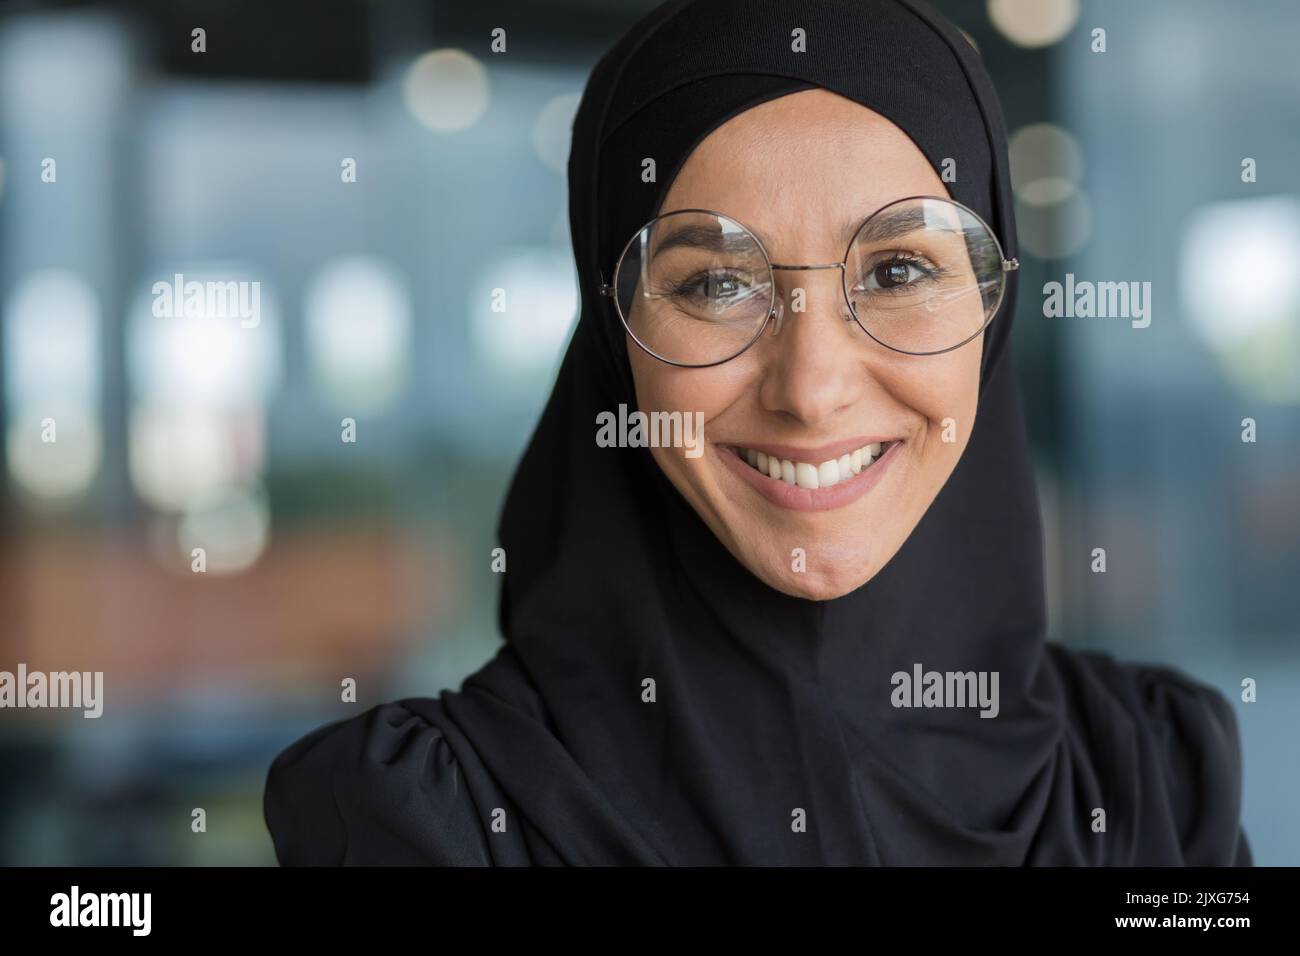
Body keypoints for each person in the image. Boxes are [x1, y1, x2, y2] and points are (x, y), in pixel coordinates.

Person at [263, 0, 1251, 865]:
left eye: (900, 270)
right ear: (615, 336)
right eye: (715, 283)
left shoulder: (1152, 777)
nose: (811, 387)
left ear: (992, 319)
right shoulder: (434, 821)